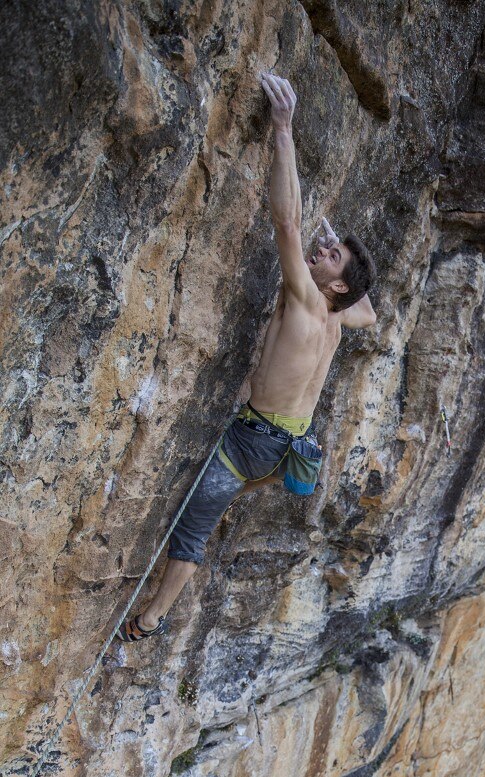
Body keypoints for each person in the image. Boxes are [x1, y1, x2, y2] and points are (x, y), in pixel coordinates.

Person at [118, 71, 376, 642]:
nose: (318, 250)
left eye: (330, 256)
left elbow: (286, 222)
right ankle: (154, 615)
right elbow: (371, 312)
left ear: (333, 285)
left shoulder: (312, 302)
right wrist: (348, 270)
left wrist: (283, 130)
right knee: (207, 514)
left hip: (250, 442)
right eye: (327, 247)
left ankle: (153, 618)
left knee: (193, 527)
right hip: (287, 450)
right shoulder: (341, 315)